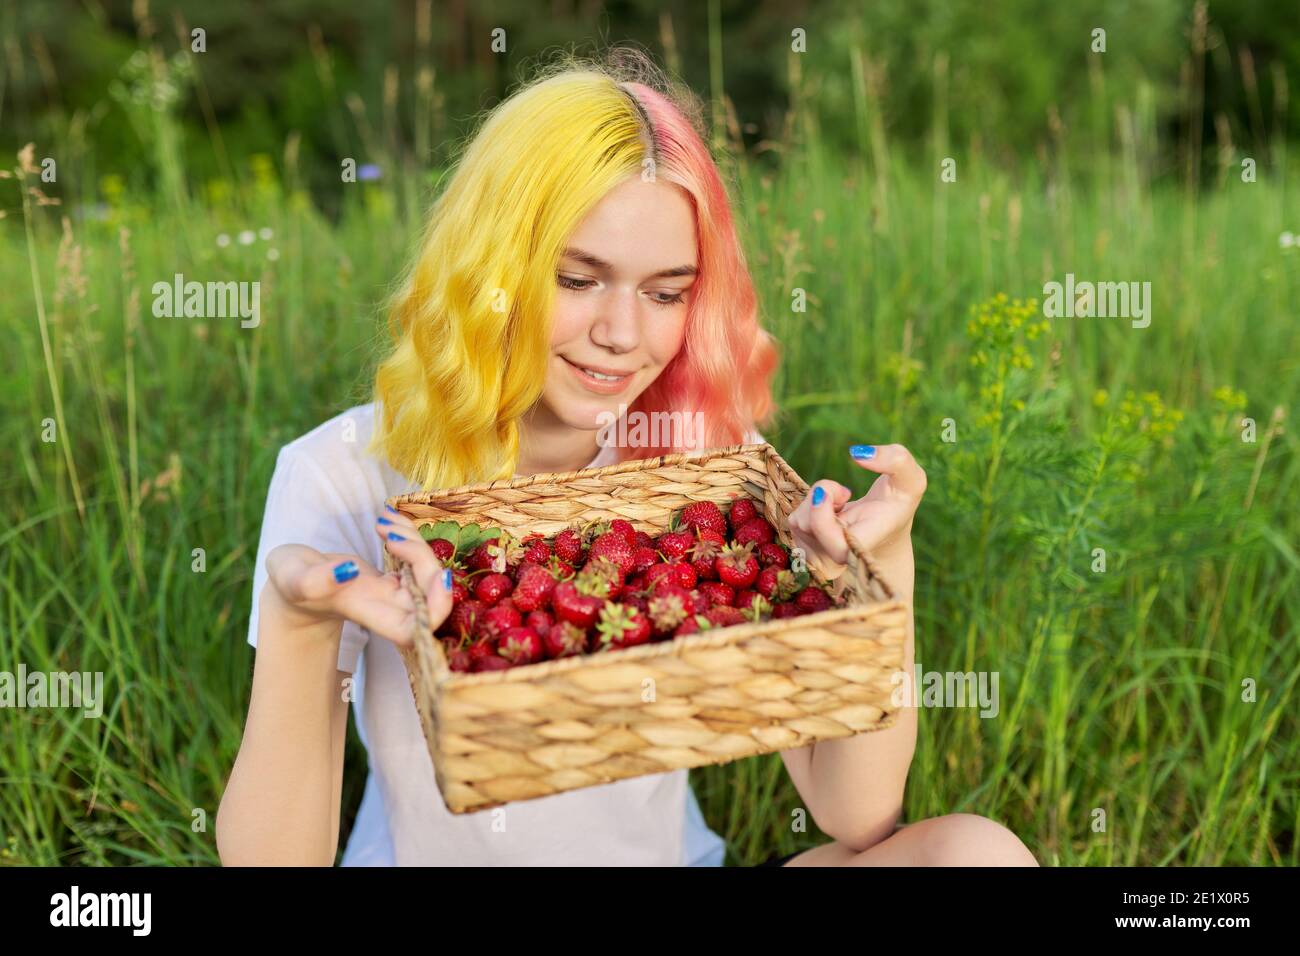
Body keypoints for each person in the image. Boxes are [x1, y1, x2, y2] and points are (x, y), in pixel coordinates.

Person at [216, 49, 1037, 867]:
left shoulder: (696, 455)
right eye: (577, 279)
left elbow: (854, 814)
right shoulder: (345, 476)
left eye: (665, 292)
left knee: (976, 856)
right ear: (491, 271)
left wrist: (881, 563)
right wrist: (299, 623)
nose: (622, 335)